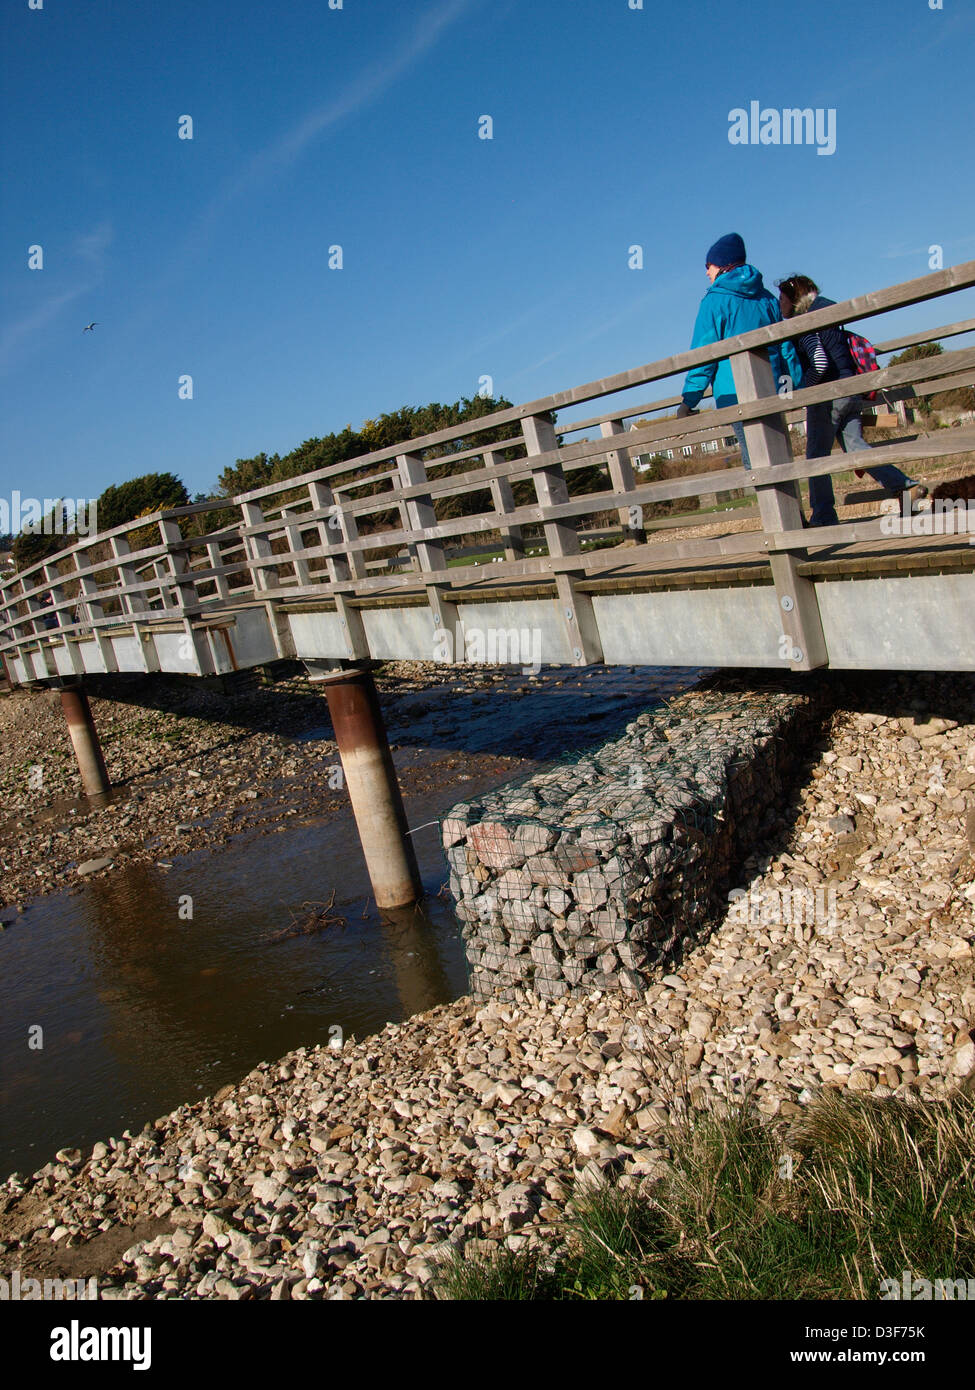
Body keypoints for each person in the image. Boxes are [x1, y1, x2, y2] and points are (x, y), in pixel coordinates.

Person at [776, 274, 927, 527]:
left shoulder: (805, 321)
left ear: (794, 298)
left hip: (828, 395)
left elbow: (820, 363)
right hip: (852, 390)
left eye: (782, 299)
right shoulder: (829, 310)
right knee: (856, 448)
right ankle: (905, 487)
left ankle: (824, 517)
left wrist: (805, 391)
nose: (780, 305)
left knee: (816, 458)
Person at [678, 233, 801, 471]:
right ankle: (793, 510)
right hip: (772, 389)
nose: (706, 272)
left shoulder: (714, 302)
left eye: (708, 266)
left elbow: (703, 356)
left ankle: (773, 509)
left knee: (754, 461)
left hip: (735, 394)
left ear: (723, 265)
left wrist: (688, 400)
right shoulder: (767, 299)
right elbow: (786, 348)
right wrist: (791, 389)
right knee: (779, 456)